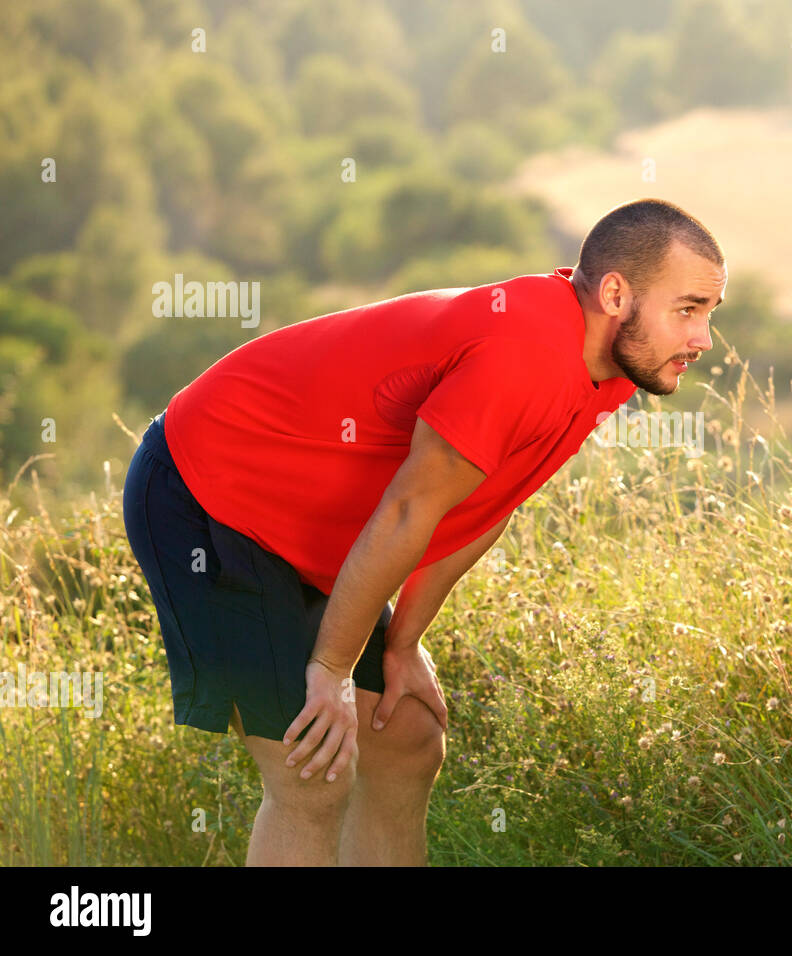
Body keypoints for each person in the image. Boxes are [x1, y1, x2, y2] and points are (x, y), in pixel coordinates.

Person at [121, 197, 726, 865]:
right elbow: (409, 511)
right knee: (311, 769)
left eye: (709, 314)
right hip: (208, 492)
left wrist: (402, 644)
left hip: (303, 523)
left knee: (407, 738)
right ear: (616, 293)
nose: (702, 339)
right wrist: (329, 670)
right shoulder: (526, 354)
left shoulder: (603, 369)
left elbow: (487, 505)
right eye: (688, 309)